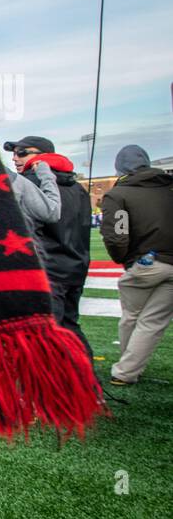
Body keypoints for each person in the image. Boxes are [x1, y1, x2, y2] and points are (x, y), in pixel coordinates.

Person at [3, 136, 93, 358]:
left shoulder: (30, 182)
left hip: (47, 270)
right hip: (76, 267)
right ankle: (87, 384)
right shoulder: (77, 187)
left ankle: (50, 388)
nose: (15, 158)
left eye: (22, 153)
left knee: (41, 337)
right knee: (70, 327)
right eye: (14, 153)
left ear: (41, 155)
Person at [100, 145, 173, 386]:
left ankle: (125, 371)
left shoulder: (120, 194)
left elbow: (117, 235)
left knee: (132, 316)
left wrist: (123, 258)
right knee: (153, 321)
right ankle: (128, 370)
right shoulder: (168, 188)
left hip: (145, 263)